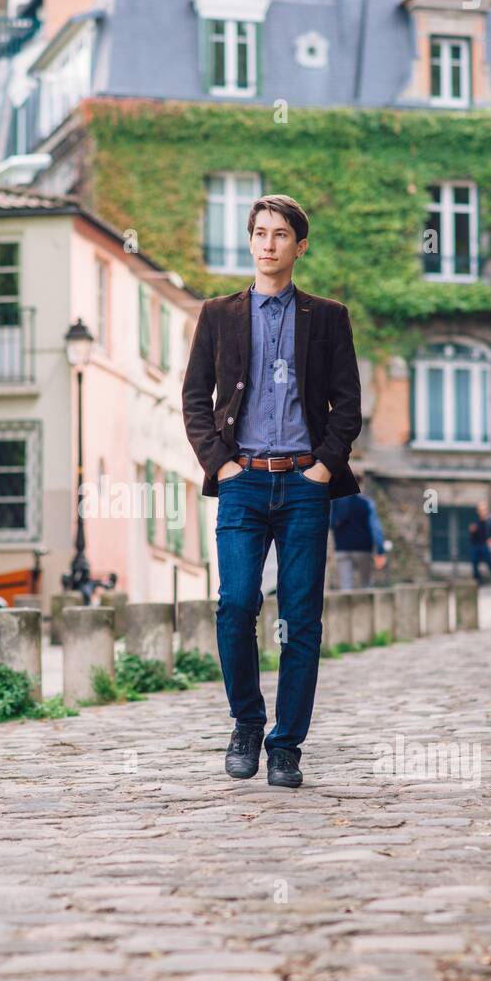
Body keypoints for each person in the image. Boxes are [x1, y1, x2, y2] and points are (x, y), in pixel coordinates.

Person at [181, 193, 362, 789]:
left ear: (299, 246)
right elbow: (195, 400)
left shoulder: (328, 316)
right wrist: (222, 465)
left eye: (280, 234)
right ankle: (246, 724)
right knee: (235, 606)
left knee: (301, 620)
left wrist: (323, 468)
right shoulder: (218, 314)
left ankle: (287, 746)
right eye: (259, 232)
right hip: (243, 484)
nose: (267, 243)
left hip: (305, 483)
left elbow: (347, 407)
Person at [329, 470, 387, 588]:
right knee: (365, 586)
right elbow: (376, 529)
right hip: (363, 549)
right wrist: (380, 550)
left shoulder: (335, 503)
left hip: (342, 548)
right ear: (359, 483)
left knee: (346, 587)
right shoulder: (367, 503)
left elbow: (330, 524)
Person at [468, 500, 491, 583]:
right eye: (481, 510)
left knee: (489, 560)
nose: (482, 512)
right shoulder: (475, 521)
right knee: (474, 561)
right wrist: (472, 531)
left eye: (484, 510)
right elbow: (472, 536)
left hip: (486, 544)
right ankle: (478, 579)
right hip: (476, 544)